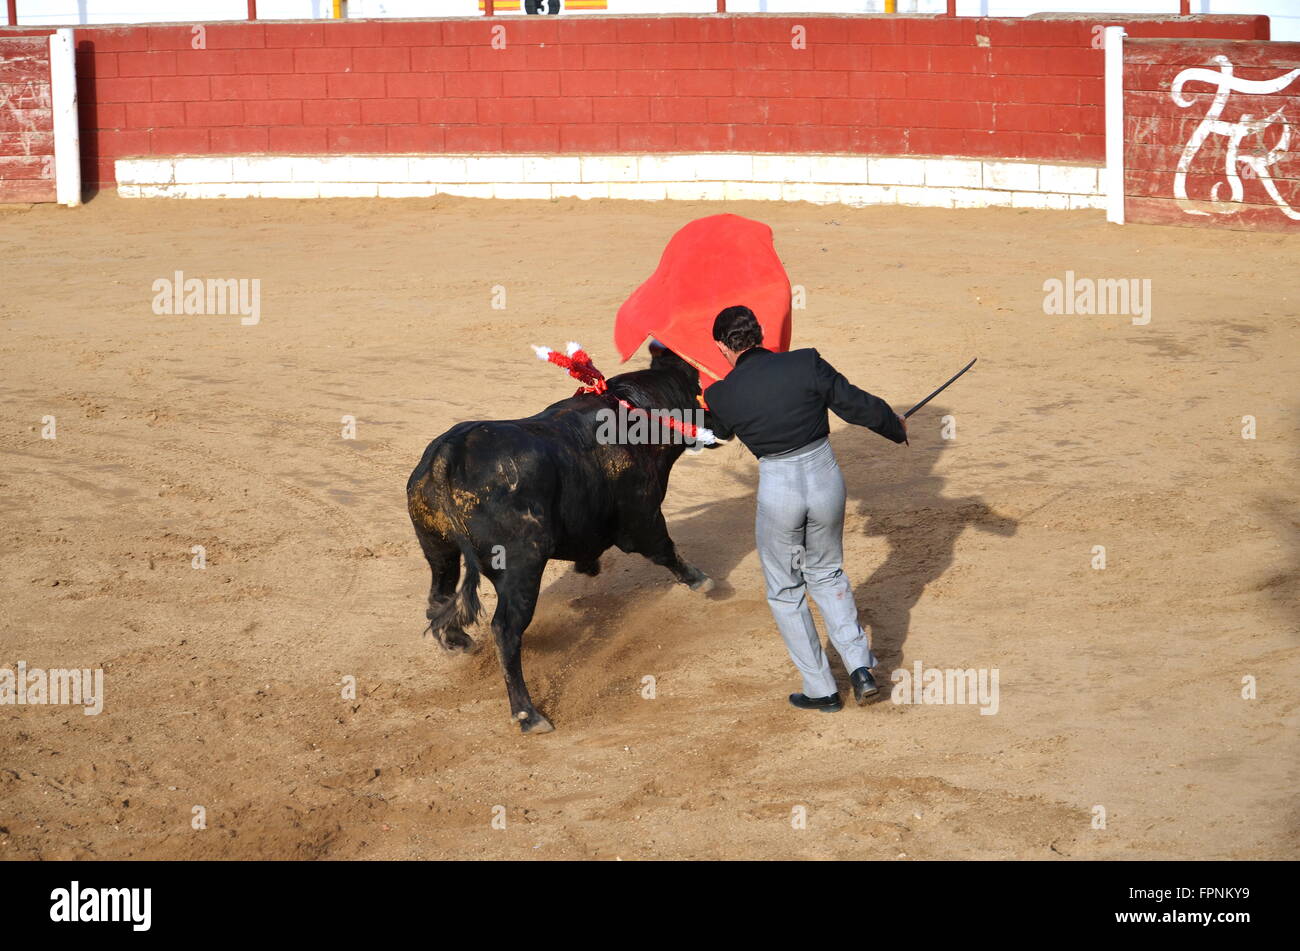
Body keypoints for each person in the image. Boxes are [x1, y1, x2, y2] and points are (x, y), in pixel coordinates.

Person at [703, 305, 907, 713]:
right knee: (827, 571)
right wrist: (893, 424)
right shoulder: (805, 361)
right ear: (759, 334)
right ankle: (860, 667)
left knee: (785, 589)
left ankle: (820, 689)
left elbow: (714, 435)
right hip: (824, 476)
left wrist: (704, 409)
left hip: (780, 489)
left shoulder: (721, 392)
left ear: (723, 345)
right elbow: (854, 404)